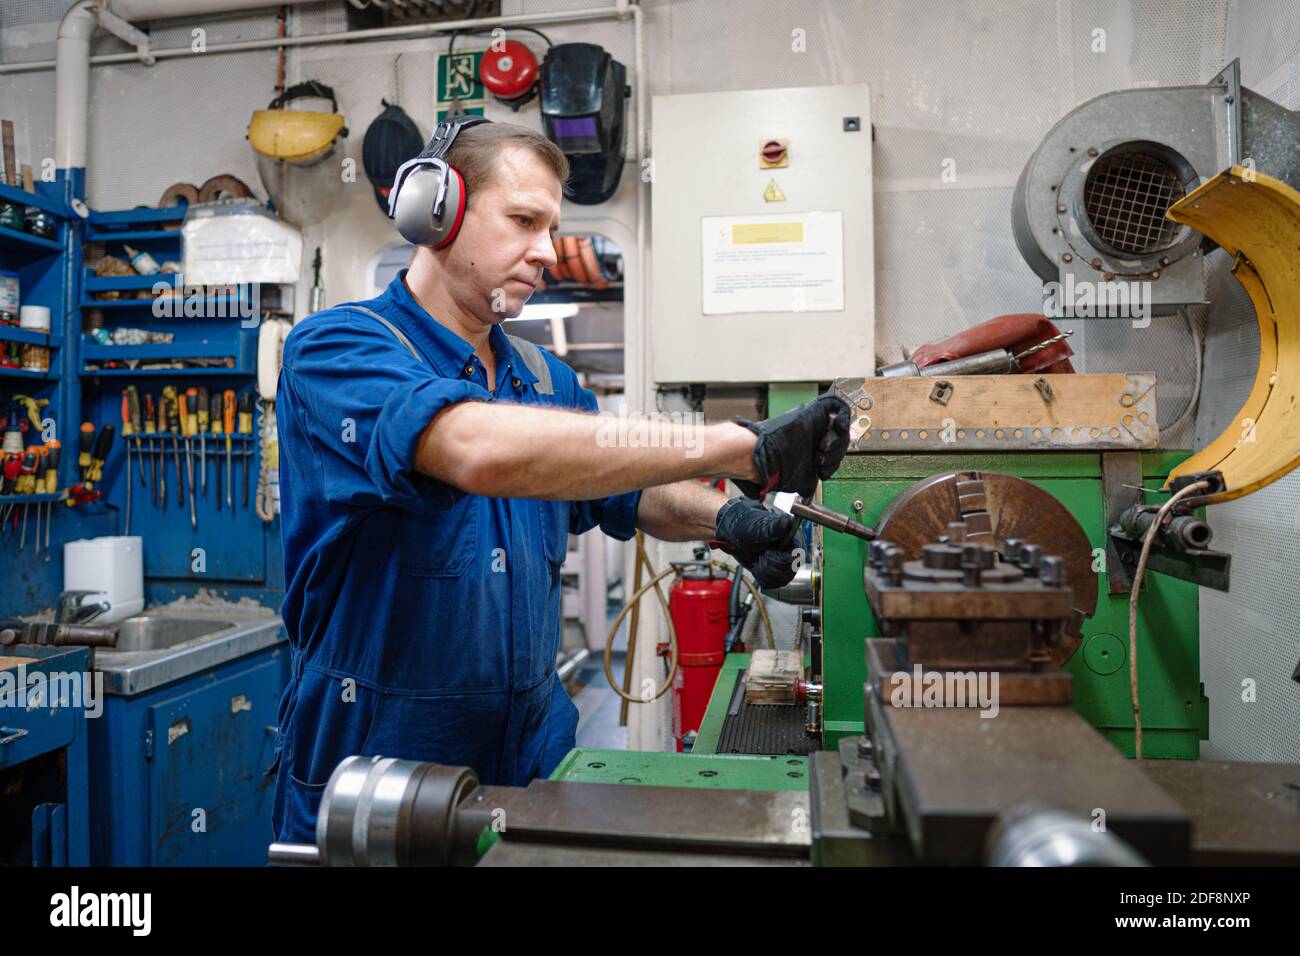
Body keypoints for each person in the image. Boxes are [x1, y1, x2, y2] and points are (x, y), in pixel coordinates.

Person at [269, 118, 850, 844]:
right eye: (522, 221)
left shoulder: (546, 378)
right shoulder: (339, 348)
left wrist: (721, 521)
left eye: (552, 227)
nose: (546, 252)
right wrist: (739, 448)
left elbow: (624, 490)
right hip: (380, 764)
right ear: (436, 211)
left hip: (532, 754)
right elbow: (472, 448)